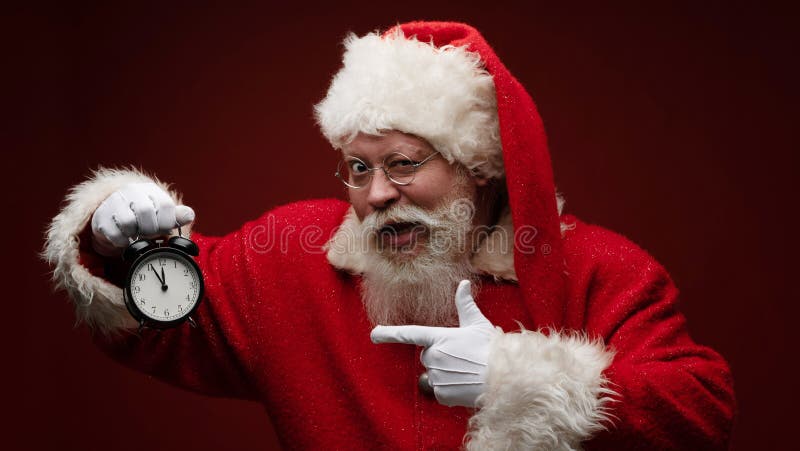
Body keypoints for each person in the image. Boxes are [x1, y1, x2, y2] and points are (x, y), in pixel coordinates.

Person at [43, 21, 735, 450]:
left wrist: (520, 380)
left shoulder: (599, 268)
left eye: (403, 164)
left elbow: (700, 409)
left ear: (479, 168)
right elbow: (166, 315)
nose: (374, 194)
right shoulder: (290, 256)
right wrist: (119, 238)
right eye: (357, 167)